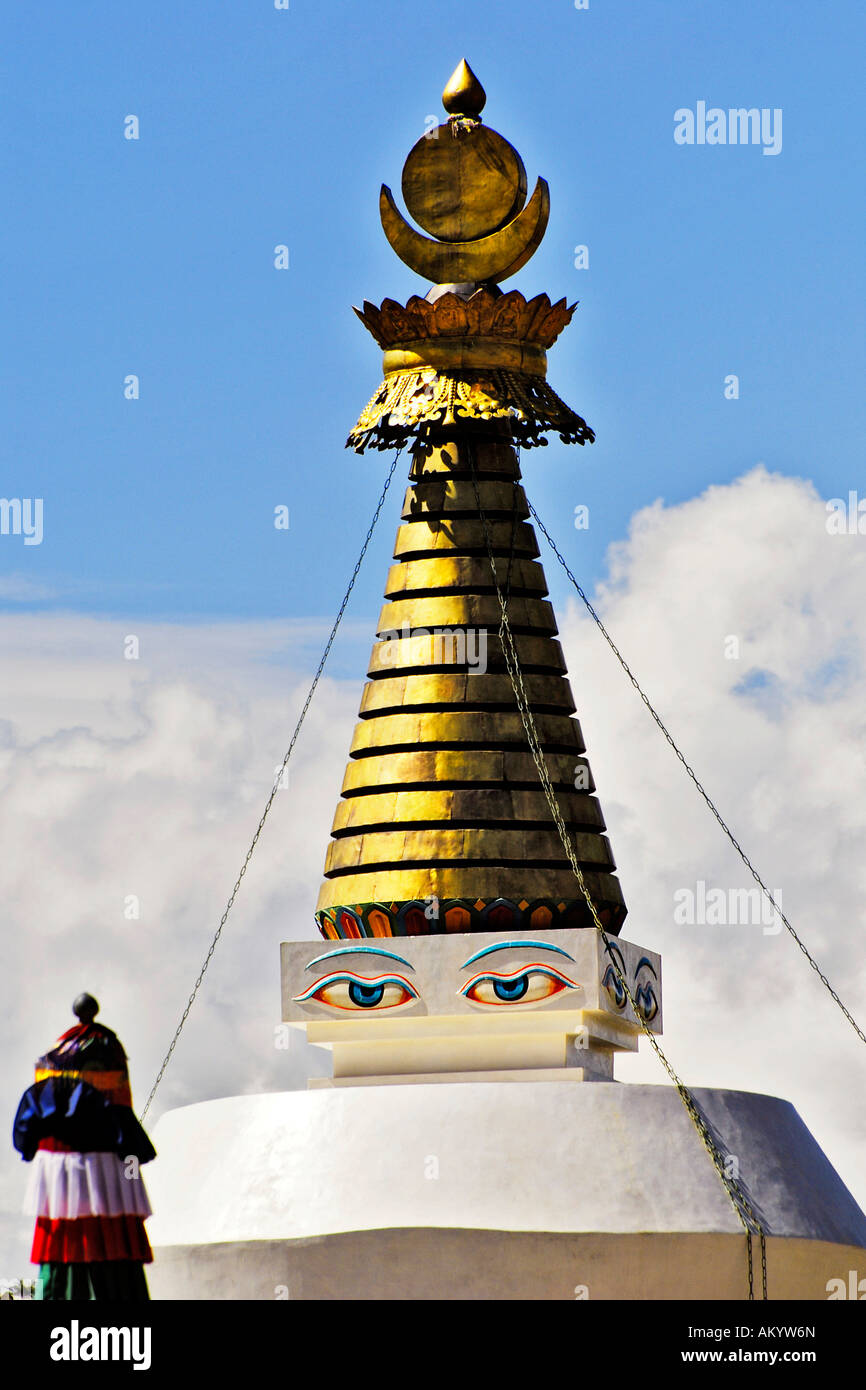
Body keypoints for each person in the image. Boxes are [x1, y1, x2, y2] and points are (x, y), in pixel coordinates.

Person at [12, 993, 156, 1300]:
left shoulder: (43, 1101)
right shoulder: (114, 1104)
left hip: (59, 1173)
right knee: (112, 1254)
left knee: (66, 1251)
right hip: (109, 1172)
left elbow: (24, 1140)